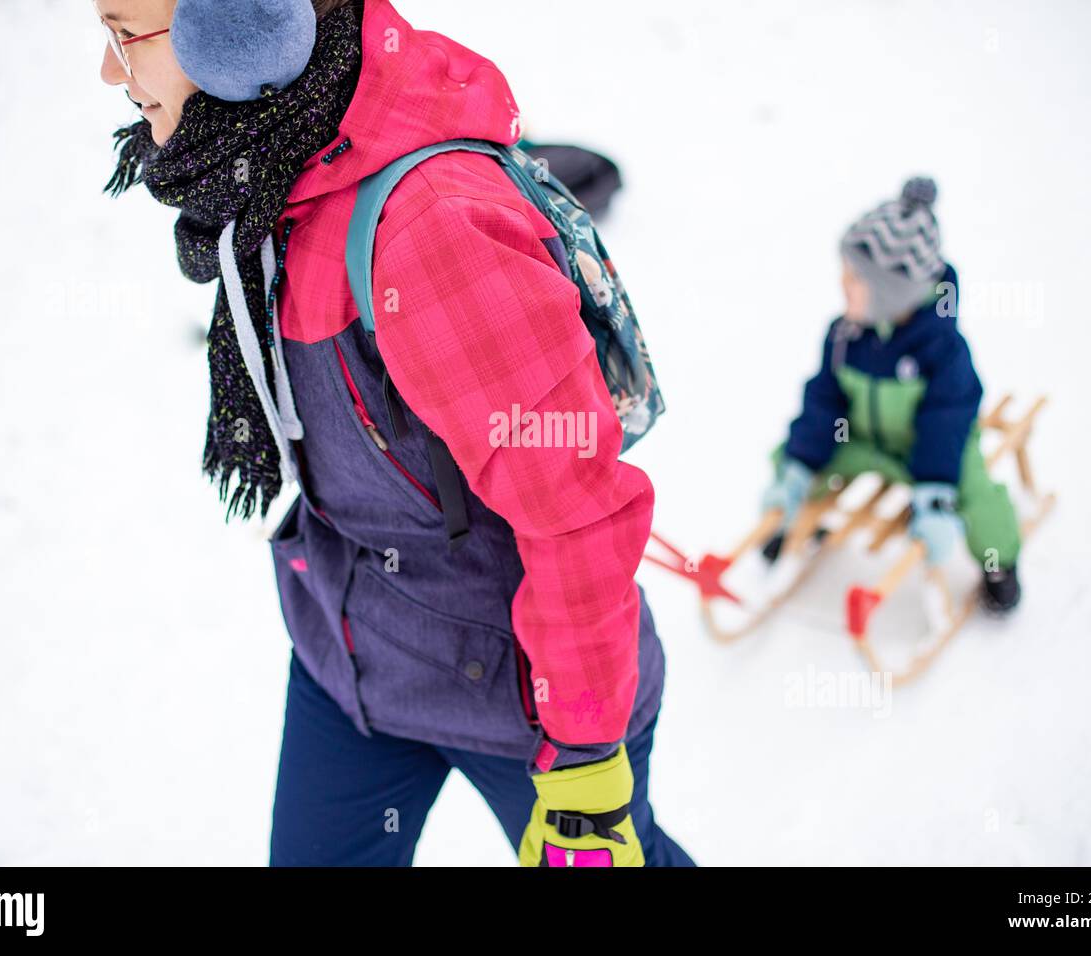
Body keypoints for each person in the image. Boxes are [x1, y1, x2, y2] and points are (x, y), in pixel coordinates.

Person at [94, 0, 692, 866]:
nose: (112, 75)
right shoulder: (276, 174)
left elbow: (574, 513)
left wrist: (587, 776)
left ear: (241, 30)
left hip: (526, 695)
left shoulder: (430, 229)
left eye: (124, 35)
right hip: (353, 650)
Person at [761, 178, 1023, 613]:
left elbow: (946, 421)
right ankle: (793, 523)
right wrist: (799, 466)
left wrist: (937, 495)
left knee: (978, 494)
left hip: (930, 449)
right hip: (862, 440)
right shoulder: (845, 334)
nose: (842, 287)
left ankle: (1000, 563)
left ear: (889, 292)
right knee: (789, 456)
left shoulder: (942, 349)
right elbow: (825, 402)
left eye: (854, 281)